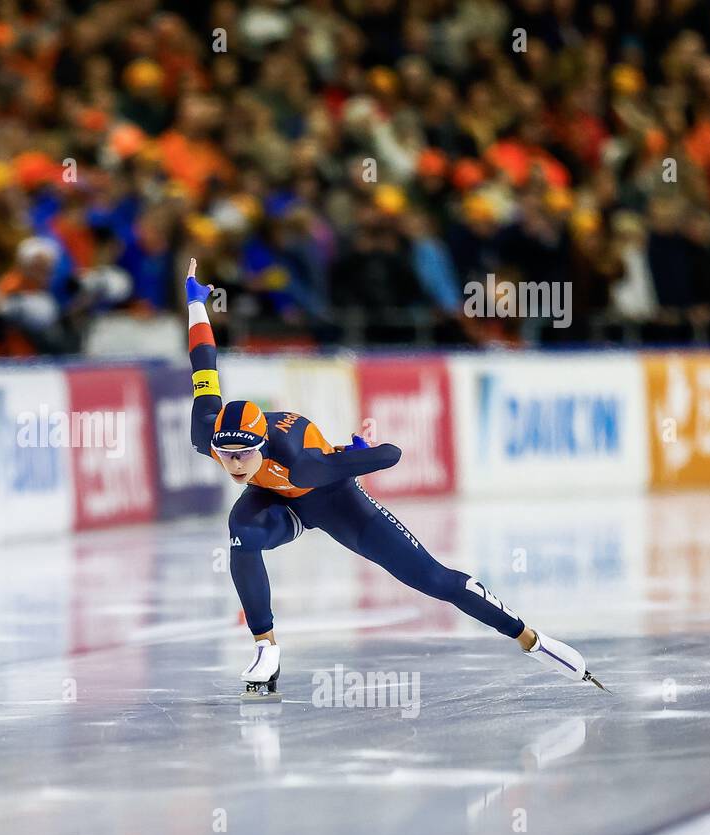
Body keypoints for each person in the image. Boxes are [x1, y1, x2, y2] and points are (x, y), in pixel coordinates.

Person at [183, 259, 604, 697]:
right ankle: (265, 647)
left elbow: (392, 454)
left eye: (244, 454)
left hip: (331, 496)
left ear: (262, 441)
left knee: (434, 579)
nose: (233, 464)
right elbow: (203, 360)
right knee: (241, 532)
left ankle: (531, 639)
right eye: (226, 455)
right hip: (275, 499)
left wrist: (358, 455)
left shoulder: (302, 460)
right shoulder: (207, 429)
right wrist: (196, 302)